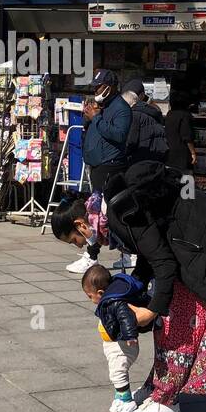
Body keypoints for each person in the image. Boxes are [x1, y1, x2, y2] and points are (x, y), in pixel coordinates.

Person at [51, 159, 206, 412]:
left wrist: (152, 310)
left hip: (198, 243)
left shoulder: (119, 214)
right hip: (185, 242)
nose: (80, 246)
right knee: (170, 322)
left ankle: (167, 400)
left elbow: (164, 263)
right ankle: (158, 386)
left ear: (80, 224)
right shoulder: (113, 211)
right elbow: (150, 252)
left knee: (175, 325)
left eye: (75, 240)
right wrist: (133, 289)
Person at [67, 68, 131, 274]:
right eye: (95, 86)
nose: (96, 90)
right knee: (101, 213)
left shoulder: (121, 108)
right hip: (98, 166)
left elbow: (119, 135)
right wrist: (90, 119)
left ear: (110, 88)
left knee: (100, 214)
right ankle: (126, 252)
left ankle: (93, 255)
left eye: (100, 86)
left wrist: (96, 118)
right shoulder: (102, 108)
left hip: (110, 166)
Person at [81, 263, 153, 412]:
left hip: (123, 345)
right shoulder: (109, 299)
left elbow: (125, 317)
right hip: (114, 344)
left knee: (117, 372)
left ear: (100, 292)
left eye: (89, 295)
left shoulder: (114, 302)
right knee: (114, 371)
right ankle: (119, 398)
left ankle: (127, 400)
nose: (89, 299)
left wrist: (130, 335)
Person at [123, 78, 168, 165]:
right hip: (156, 157)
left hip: (141, 160)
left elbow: (130, 142)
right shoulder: (152, 110)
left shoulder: (135, 114)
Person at [163, 86, 197, 173]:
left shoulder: (169, 114)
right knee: (183, 178)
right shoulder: (185, 115)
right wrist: (193, 153)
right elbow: (187, 137)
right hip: (181, 154)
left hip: (169, 151)